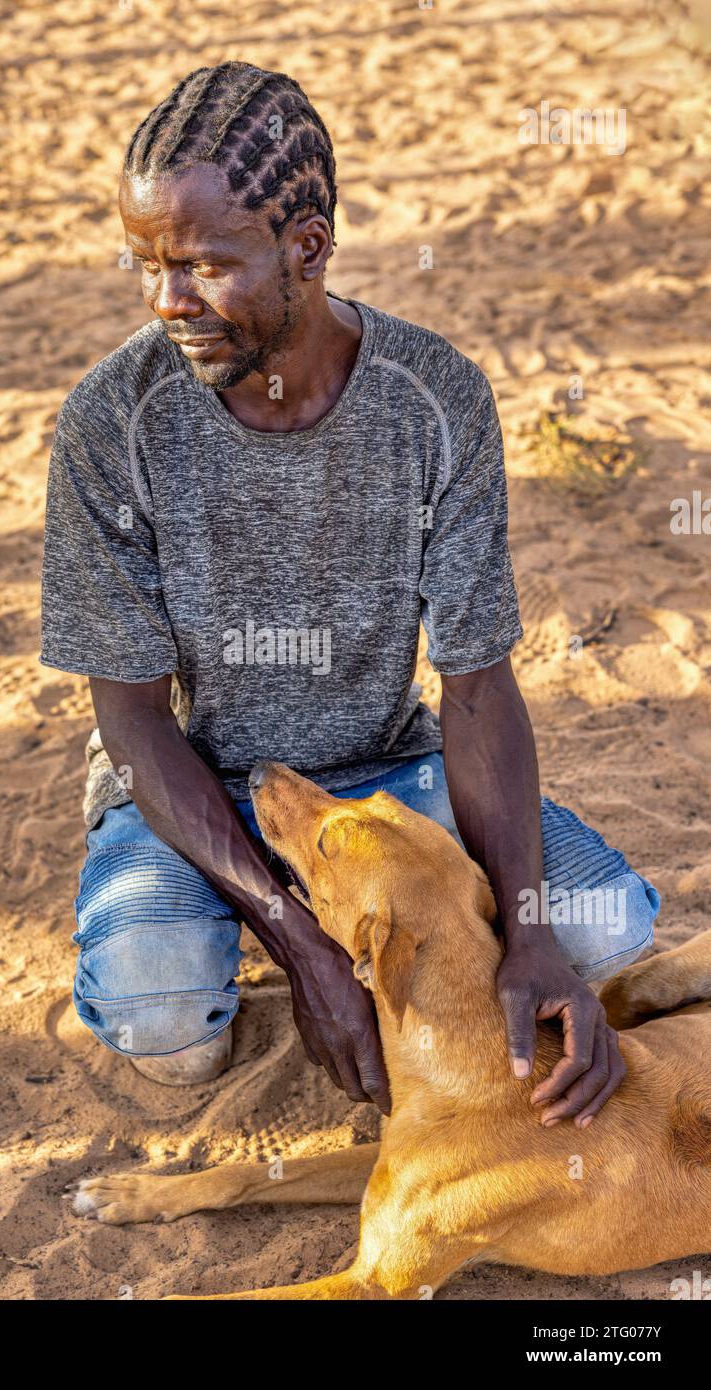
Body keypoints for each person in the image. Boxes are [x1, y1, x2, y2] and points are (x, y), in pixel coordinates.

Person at [40, 60, 659, 1126]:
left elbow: (476, 691)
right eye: (144, 263)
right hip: (191, 784)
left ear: (309, 247)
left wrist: (531, 930)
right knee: (163, 1027)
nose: (164, 301)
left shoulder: (436, 400)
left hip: (382, 777)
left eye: (201, 266)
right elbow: (133, 722)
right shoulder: (111, 421)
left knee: (601, 937)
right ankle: (222, 929)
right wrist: (299, 938)